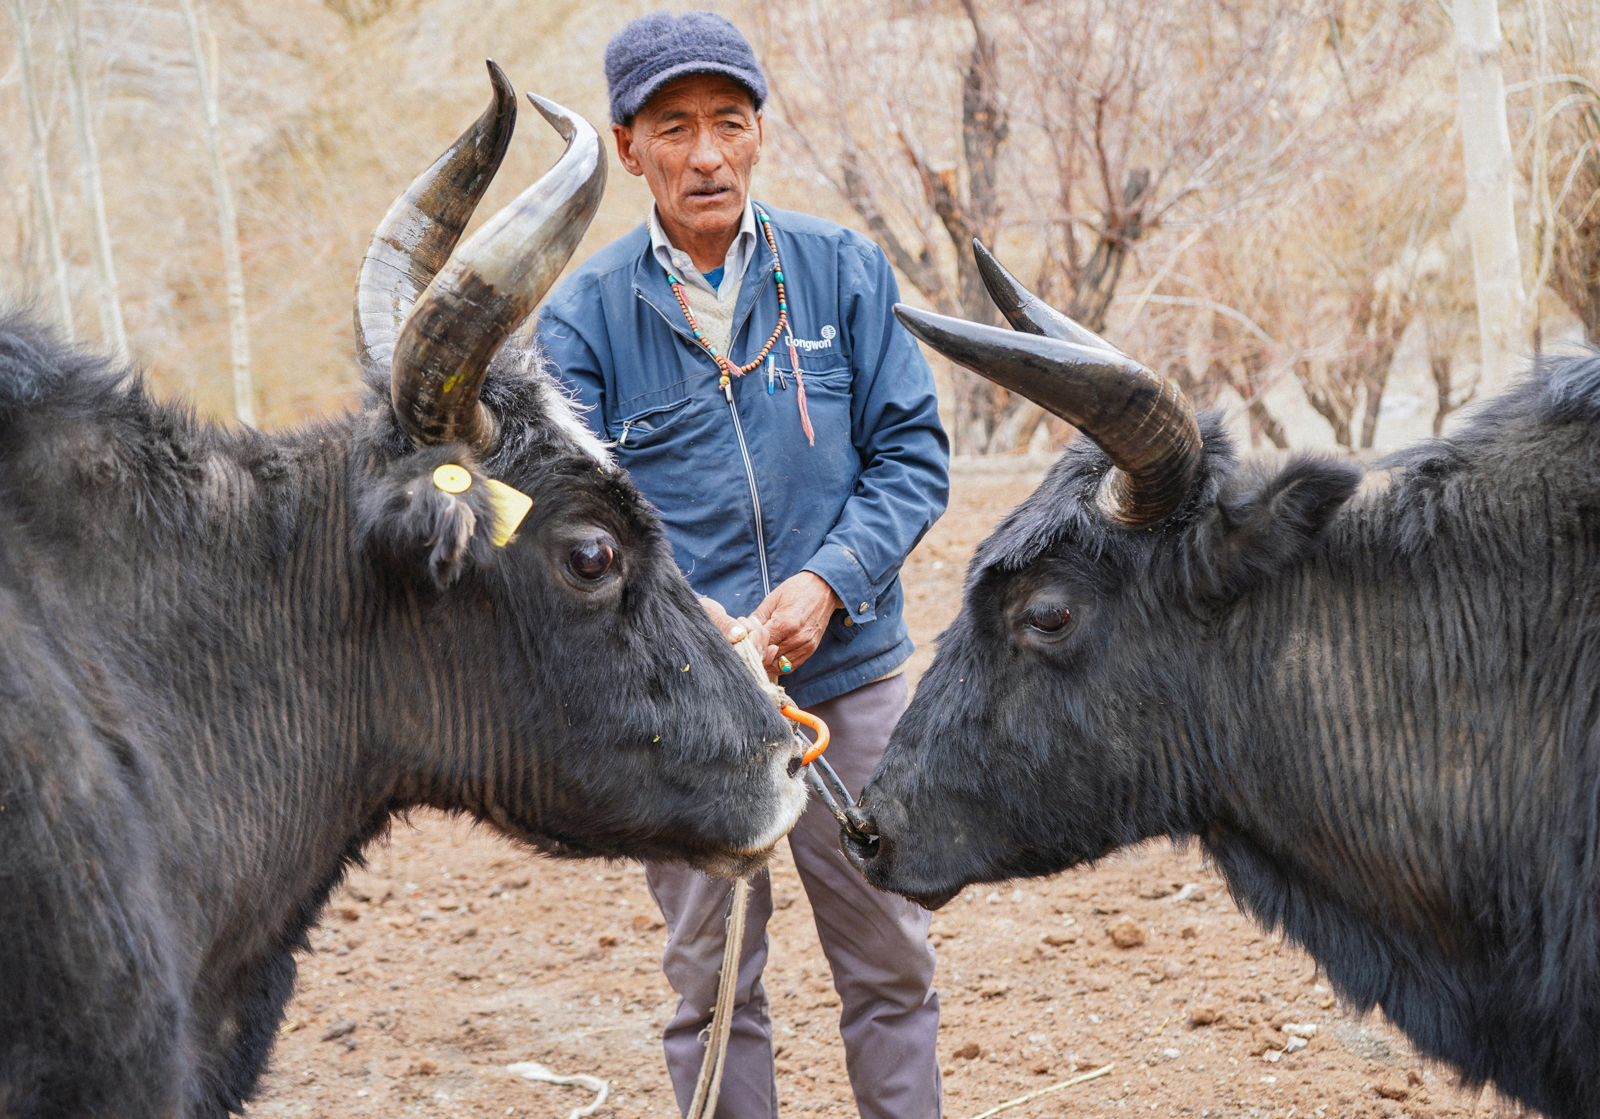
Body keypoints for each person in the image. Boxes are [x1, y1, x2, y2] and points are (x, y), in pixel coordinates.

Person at [535, 11, 950, 1118]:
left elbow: (912, 456)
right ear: (629, 149)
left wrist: (829, 582)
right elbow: (575, 528)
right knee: (711, 988)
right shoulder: (581, 320)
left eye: (728, 120)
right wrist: (688, 624)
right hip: (682, 704)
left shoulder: (842, 270)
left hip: (849, 681)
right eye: (674, 127)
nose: (706, 153)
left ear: (760, 132)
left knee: (892, 961)